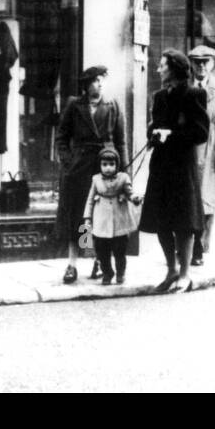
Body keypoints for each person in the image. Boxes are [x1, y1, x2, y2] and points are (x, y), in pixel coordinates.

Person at [140, 50, 210, 294]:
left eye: (162, 66)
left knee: (184, 222)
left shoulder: (194, 94)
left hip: (182, 166)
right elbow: (155, 126)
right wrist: (154, 134)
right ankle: (170, 269)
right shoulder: (159, 97)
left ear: (174, 69)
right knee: (161, 220)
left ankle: (184, 275)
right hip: (161, 166)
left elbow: (201, 133)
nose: (158, 69)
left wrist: (171, 135)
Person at [55, 65, 127, 284]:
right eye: (95, 80)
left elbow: (121, 140)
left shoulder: (113, 105)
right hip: (79, 169)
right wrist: (68, 162)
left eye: (102, 80)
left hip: (105, 167)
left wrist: (123, 172)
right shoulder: (74, 105)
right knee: (77, 217)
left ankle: (98, 260)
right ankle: (72, 263)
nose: (100, 84)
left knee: (102, 216)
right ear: (86, 85)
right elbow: (61, 138)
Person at [187, 45, 215, 266]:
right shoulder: (184, 87)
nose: (201, 66)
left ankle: (200, 245)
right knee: (188, 198)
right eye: (197, 62)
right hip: (187, 148)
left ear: (212, 64)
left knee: (207, 199)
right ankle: (189, 243)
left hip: (211, 148)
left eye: (205, 62)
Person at [82, 149, 141, 285]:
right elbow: (90, 199)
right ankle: (107, 273)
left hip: (119, 219)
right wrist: (87, 218)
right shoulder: (96, 179)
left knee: (120, 250)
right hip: (101, 220)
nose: (108, 168)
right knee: (102, 251)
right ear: (100, 165)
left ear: (117, 165)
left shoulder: (123, 178)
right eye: (104, 164)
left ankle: (120, 273)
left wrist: (135, 198)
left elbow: (129, 192)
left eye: (111, 164)